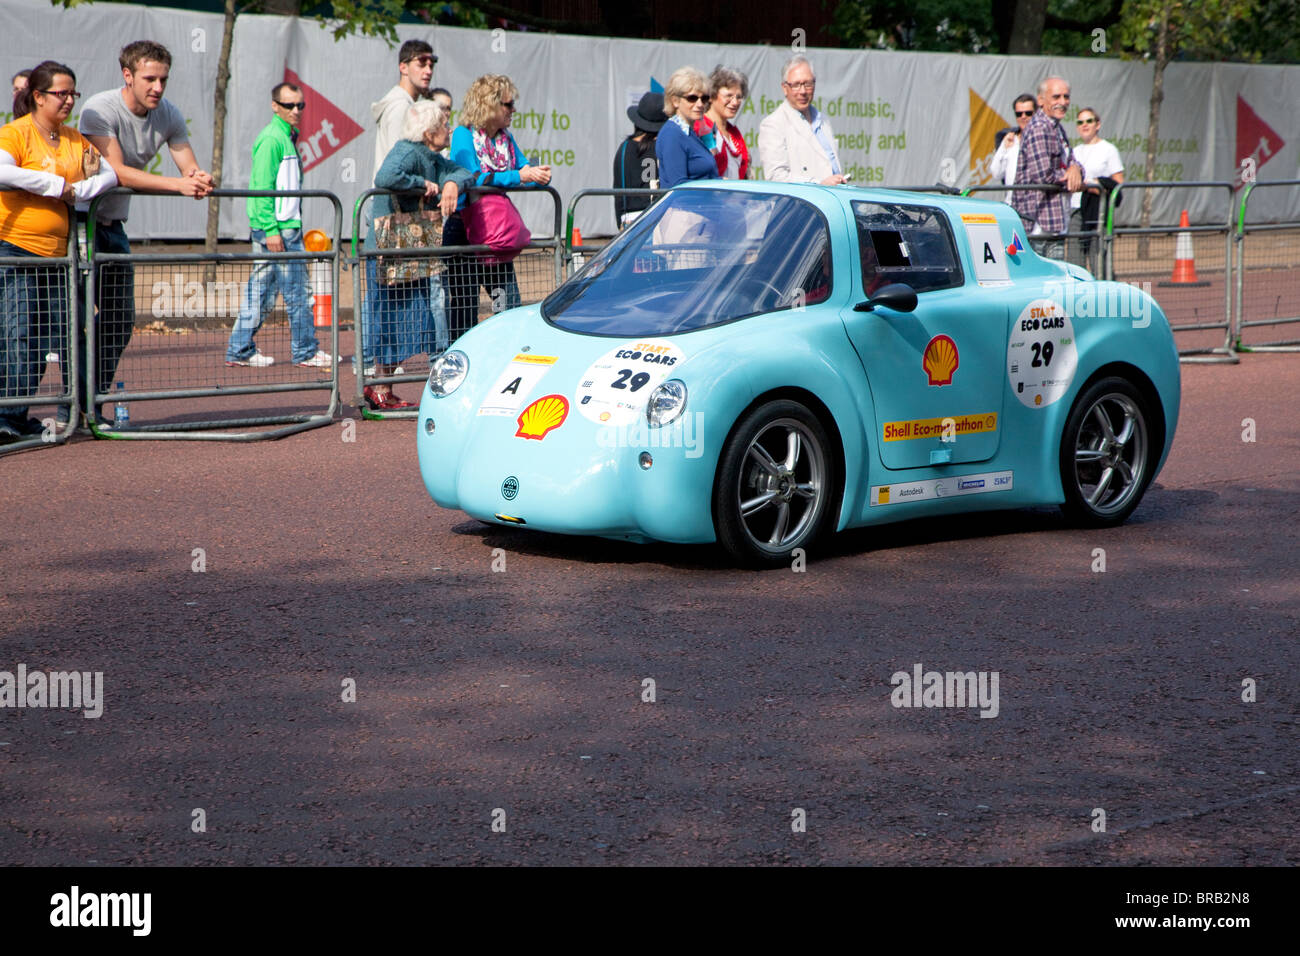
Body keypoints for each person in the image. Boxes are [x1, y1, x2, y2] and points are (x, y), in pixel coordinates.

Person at [71, 40, 213, 428]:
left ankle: (91, 404)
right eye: (150, 79)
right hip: (80, 224)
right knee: (73, 319)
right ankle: (66, 410)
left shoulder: (168, 113)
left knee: (119, 318)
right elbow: (116, 172)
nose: (158, 88)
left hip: (114, 226)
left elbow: (188, 166)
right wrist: (178, 186)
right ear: (128, 76)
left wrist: (199, 178)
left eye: (163, 79)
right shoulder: (99, 109)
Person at [0, 61, 118, 443]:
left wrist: (82, 190)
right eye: (61, 93)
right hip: (16, 248)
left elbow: (110, 174)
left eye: (73, 94)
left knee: (46, 338)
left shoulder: (71, 137)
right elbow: (3, 172)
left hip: (57, 257)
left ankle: (17, 417)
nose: (69, 100)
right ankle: (7, 416)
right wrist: (56, 185)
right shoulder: (15, 133)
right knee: (17, 333)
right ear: (37, 96)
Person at [364, 99, 472, 410]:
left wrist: (451, 183)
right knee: (388, 315)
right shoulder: (408, 150)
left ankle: (383, 386)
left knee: (404, 317)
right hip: (388, 248)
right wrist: (419, 184)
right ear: (428, 132)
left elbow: (465, 172)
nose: (449, 130)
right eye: (444, 126)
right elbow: (385, 177)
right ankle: (378, 388)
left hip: (408, 248)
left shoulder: (434, 157)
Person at [225, 83, 333, 369]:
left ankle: (239, 349)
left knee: (261, 292)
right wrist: (271, 230)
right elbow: (261, 188)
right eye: (289, 106)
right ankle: (305, 351)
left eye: (300, 105)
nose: (296, 111)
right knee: (298, 292)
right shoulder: (273, 138)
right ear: (275, 106)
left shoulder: (284, 136)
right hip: (279, 229)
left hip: (280, 227)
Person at [445, 74, 551, 334]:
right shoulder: (462, 135)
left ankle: (504, 358)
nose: (513, 109)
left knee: (508, 303)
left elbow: (525, 172)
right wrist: (520, 176)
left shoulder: (506, 138)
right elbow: (472, 178)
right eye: (508, 104)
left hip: (495, 233)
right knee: (465, 308)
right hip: (465, 231)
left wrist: (540, 176)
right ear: (489, 104)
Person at [1011, 76, 1083, 260]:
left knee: (1054, 281)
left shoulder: (1056, 127)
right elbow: (1043, 175)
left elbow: (1074, 161)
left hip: (1054, 220)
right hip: (1038, 223)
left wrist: (1075, 169)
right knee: (1043, 282)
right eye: (1056, 97)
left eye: (1066, 97)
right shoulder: (1038, 128)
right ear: (1041, 100)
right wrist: (1070, 174)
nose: (1063, 102)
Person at [758, 56, 845, 185]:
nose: (803, 91)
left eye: (808, 84)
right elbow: (775, 177)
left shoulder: (823, 120)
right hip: (804, 203)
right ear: (784, 88)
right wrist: (819, 184)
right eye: (796, 85)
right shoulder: (773, 124)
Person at [371, 39, 437, 185]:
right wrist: (423, 183)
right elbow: (396, 165)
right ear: (403, 67)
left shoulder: (406, 104)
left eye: (431, 65)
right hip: (392, 203)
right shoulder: (400, 107)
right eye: (421, 63)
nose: (428, 71)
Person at [1070, 107, 1125, 269]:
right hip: (1075, 210)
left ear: (1097, 124)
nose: (1084, 125)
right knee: (1075, 262)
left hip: (1097, 212)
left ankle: (1105, 292)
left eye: (1089, 121)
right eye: (1080, 122)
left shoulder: (1109, 150)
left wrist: (1094, 186)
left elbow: (1118, 185)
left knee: (1098, 262)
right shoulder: (1074, 151)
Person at [654, 67, 719, 189]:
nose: (700, 104)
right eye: (692, 98)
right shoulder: (672, 134)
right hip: (685, 207)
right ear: (675, 101)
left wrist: (722, 183)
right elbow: (678, 187)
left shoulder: (688, 133)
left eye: (704, 98)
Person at [613, 91, 664, 227]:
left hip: (628, 219)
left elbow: (617, 190)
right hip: (653, 216)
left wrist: (620, 221)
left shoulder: (624, 147)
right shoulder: (660, 147)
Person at [695, 66, 751, 180]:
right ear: (711, 96)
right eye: (729, 96)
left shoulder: (734, 133)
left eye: (739, 97)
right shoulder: (700, 128)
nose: (735, 102)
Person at [989, 92, 1035, 203]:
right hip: (1012, 203)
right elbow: (996, 173)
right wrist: (1004, 148)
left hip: (1036, 205)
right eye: (1019, 114)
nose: (1023, 117)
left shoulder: (1043, 138)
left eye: (1028, 113)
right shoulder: (1010, 139)